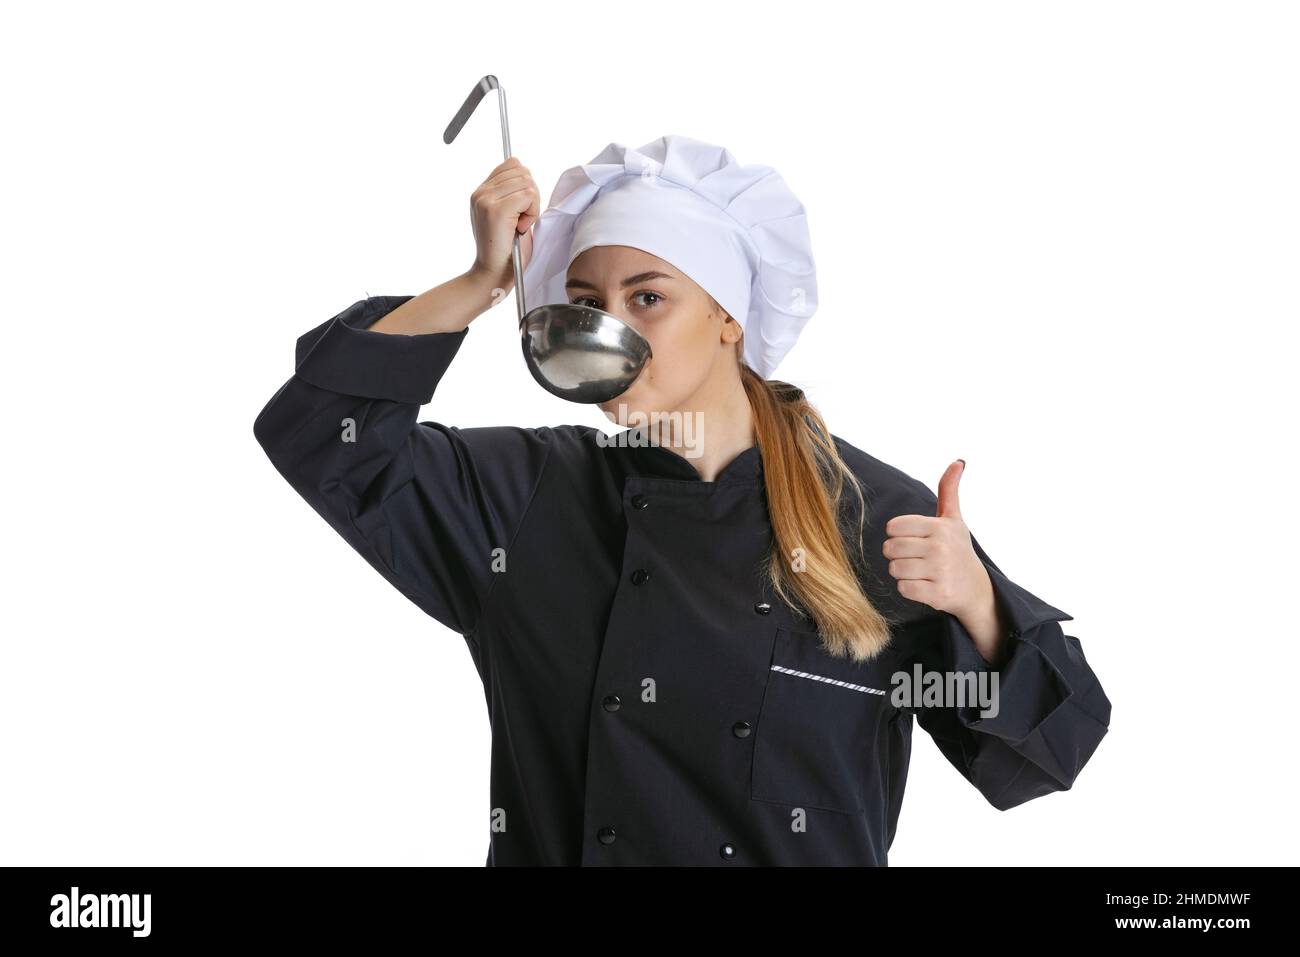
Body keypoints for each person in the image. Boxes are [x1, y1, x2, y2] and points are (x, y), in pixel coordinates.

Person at [253, 135, 1111, 866]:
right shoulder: (522, 497)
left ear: (730, 317)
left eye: (648, 298)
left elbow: (1051, 753)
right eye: (586, 305)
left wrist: (980, 608)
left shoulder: (871, 516)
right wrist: (480, 282)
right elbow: (318, 430)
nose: (612, 329)